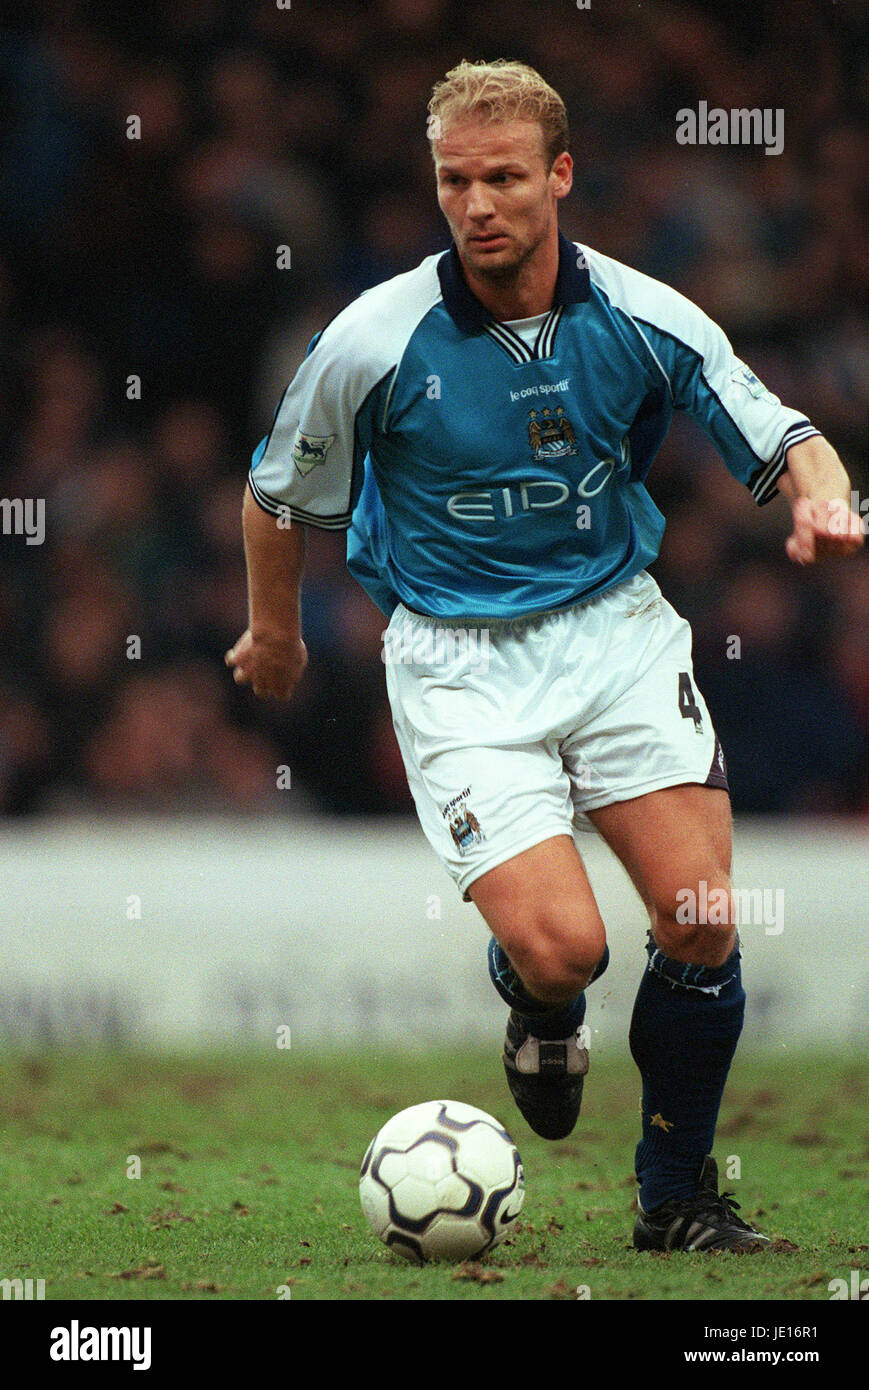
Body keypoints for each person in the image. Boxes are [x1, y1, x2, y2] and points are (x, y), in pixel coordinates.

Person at [227, 60, 863, 1252]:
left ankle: (675, 1198)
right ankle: (538, 999)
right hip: (459, 664)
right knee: (567, 944)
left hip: (612, 630)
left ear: (559, 175)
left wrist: (825, 503)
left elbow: (783, 429)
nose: (478, 204)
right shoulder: (372, 338)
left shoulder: (640, 313)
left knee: (697, 915)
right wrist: (273, 634)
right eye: (455, 180)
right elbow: (274, 500)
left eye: (505, 177)